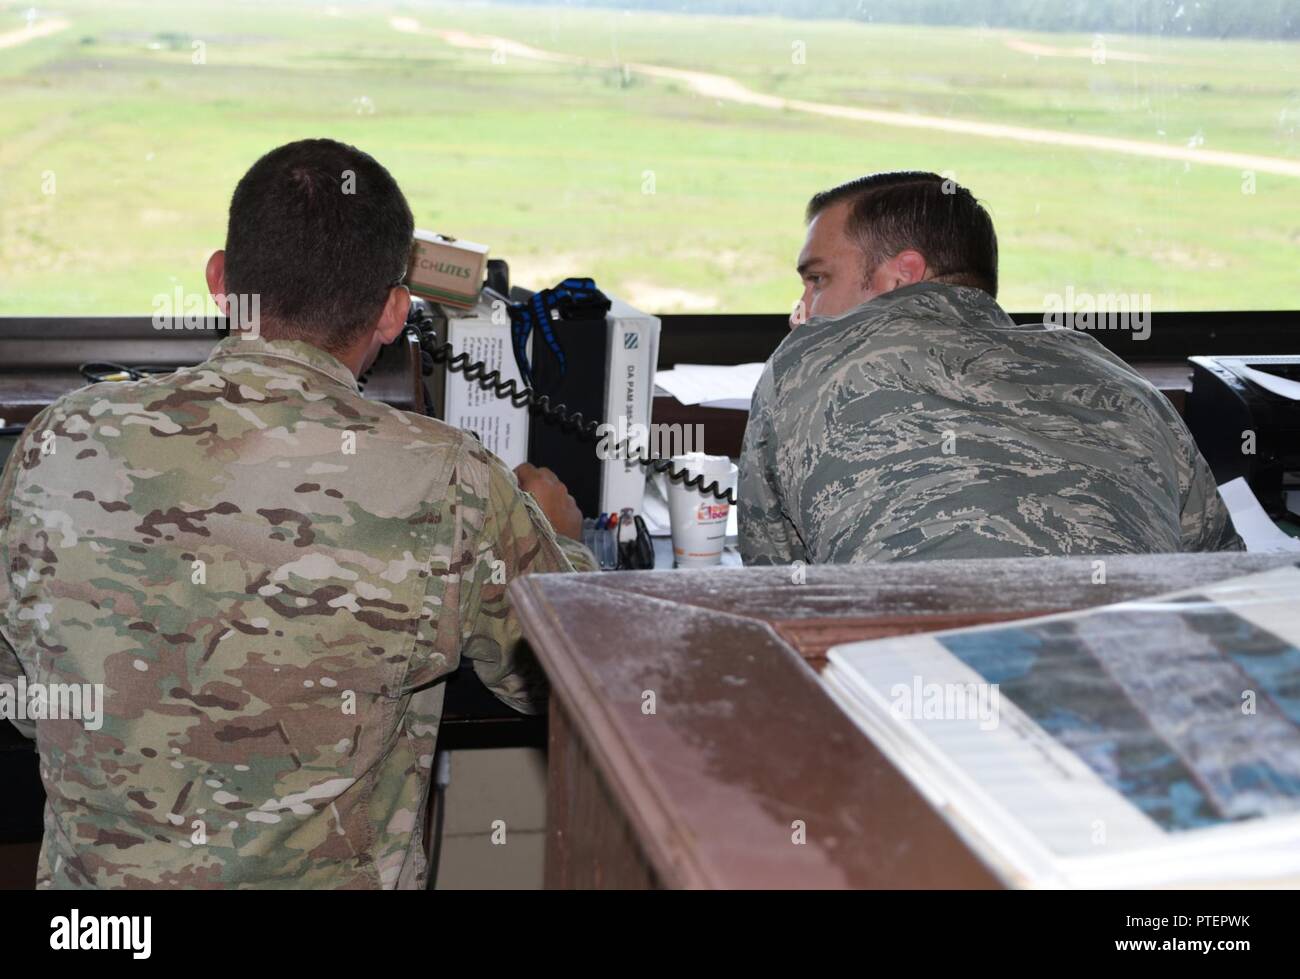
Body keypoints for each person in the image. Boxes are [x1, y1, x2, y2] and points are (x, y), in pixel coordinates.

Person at [0, 138, 593, 889]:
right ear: (391, 312)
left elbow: (21, 690)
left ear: (220, 281)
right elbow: (563, 683)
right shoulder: (448, 481)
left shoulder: (57, 440)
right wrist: (561, 547)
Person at [738, 170, 1241, 565]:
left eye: (818, 279)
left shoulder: (811, 356)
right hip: (1135, 670)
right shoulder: (1121, 380)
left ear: (902, 274)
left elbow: (779, 579)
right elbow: (1215, 568)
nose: (801, 309)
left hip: (917, 669)